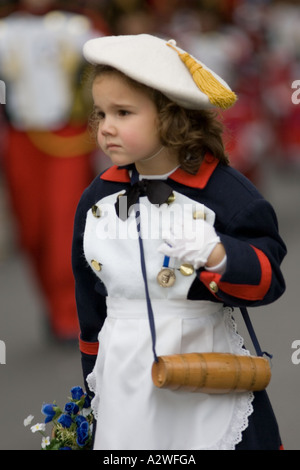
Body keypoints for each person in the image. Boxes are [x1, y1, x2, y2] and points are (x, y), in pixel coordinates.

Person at [72, 34, 287, 450]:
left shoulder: (226, 194)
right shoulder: (96, 199)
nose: (106, 127)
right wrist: (91, 379)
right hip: (123, 372)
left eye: (123, 112)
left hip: (204, 367)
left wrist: (221, 256)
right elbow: (89, 300)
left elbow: (268, 278)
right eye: (100, 114)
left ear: (171, 116)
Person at [0, 0, 103, 340]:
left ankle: (70, 312)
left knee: (64, 221)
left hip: (68, 136)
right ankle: (53, 304)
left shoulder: (78, 27)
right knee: (32, 229)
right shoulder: (5, 31)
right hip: (20, 139)